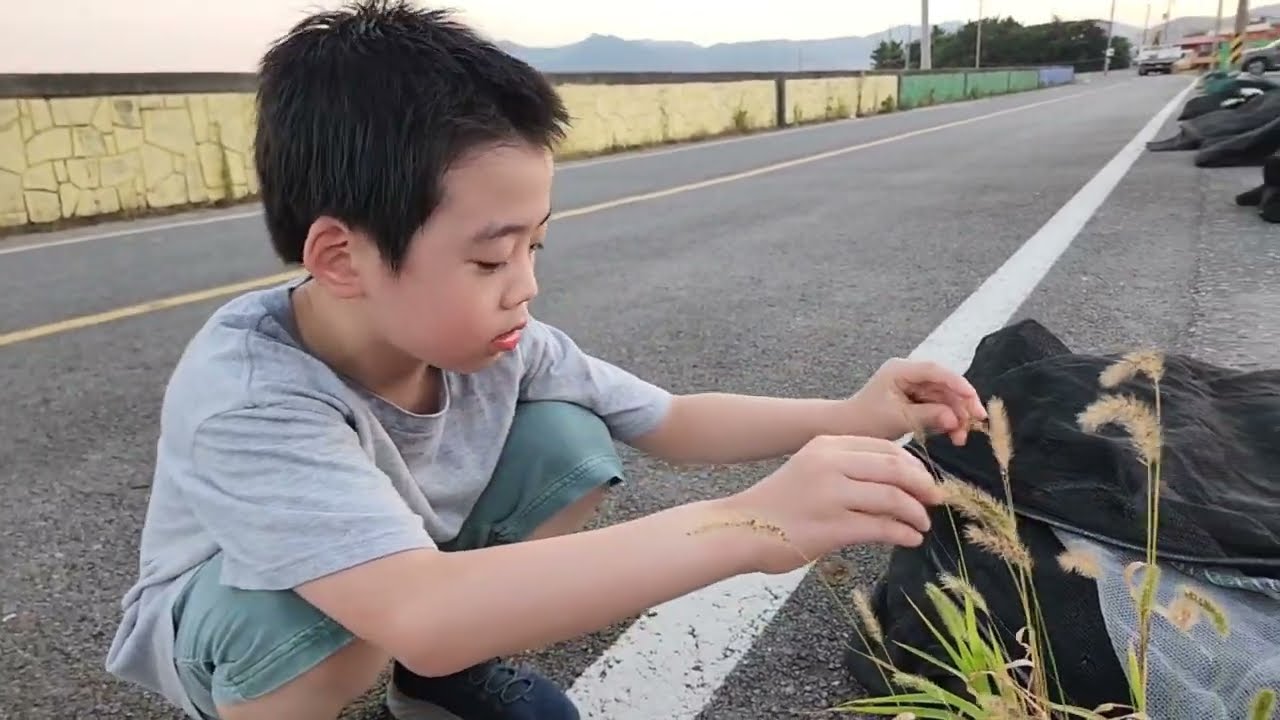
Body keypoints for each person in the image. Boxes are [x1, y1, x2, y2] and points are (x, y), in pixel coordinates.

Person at [104, 2, 987, 719]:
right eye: (490, 258)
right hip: (246, 622)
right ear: (340, 259)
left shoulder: (491, 341)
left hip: (409, 577)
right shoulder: (251, 393)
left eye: (536, 246)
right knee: (287, 614)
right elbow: (422, 610)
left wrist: (852, 414)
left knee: (570, 439)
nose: (522, 286)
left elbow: (671, 421)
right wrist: (753, 526)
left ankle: (437, 688)